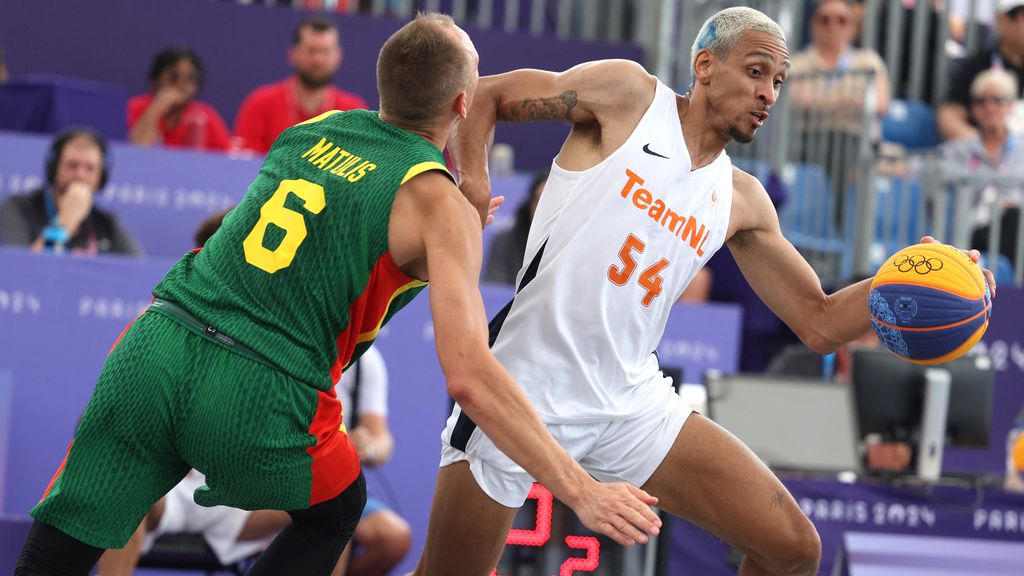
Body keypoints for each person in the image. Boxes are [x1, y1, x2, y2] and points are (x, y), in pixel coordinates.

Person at [15, 13, 659, 576]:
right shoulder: (439, 206)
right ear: (465, 105)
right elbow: (468, 376)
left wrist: (455, 216)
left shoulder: (312, 131)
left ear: (384, 87)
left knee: (57, 552)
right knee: (338, 512)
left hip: (158, 341)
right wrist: (579, 487)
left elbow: (336, 236)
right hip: (260, 388)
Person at [422, 7, 997, 576]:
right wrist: (471, 182)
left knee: (794, 551)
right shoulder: (629, 97)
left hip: (631, 403)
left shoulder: (742, 199)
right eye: (754, 72)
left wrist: (912, 277)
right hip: (523, 387)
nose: (768, 93)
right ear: (704, 65)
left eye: (777, 81)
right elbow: (489, 93)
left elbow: (818, 322)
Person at [96, 347, 410, 576]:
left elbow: (379, 439)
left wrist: (367, 447)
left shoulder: (363, 362)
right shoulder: (230, 336)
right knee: (128, 495)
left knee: (331, 513)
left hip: (255, 493)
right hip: (178, 482)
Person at [233, 17, 369, 154]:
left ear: (338, 56)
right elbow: (245, 164)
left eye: (326, 51)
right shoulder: (260, 103)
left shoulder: (354, 111)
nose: (318, 60)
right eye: (311, 50)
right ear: (292, 54)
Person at [0, 128, 142, 256]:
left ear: (100, 178)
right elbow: (20, 271)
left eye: (90, 168)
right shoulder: (18, 208)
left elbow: (143, 275)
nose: (80, 175)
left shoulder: (106, 224)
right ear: (54, 169)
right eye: (72, 165)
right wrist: (65, 222)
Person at [941, 68, 1024, 265]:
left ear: (1011, 105)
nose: (990, 107)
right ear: (972, 108)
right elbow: (922, 168)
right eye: (981, 101)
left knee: (1014, 217)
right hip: (974, 231)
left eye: (998, 100)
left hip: (1016, 230)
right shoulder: (958, 151)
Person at [789, 0, 890, 132]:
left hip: (861, 145)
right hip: (807, 144)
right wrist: (852, 100)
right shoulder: (796, 63)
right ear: (813, 25)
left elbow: (880, 105)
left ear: (852, 26)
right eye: (825, 20)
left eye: (841, 20)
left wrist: (819, 99)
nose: (833, 26)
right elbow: (794, 100)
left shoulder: (870, 61)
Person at [939, 0, 1024, 141]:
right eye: (1019, 17)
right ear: (1001, 19)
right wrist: (981, 145)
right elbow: (950, 114)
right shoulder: (978, 65)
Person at [127, 48, 232, 152]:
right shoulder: (133, 108)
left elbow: (226, 160)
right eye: (174, 76)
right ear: (155, 80)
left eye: (190, 78)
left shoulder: (206, 116)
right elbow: (135, 152)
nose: (181, 84)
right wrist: (157, 107)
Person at [483, 171, 546, 284]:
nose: (543, 209)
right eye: (538, 200)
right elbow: (496, 292)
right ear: (529, 205)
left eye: (549, 202)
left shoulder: (573, 245)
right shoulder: (505, 242)